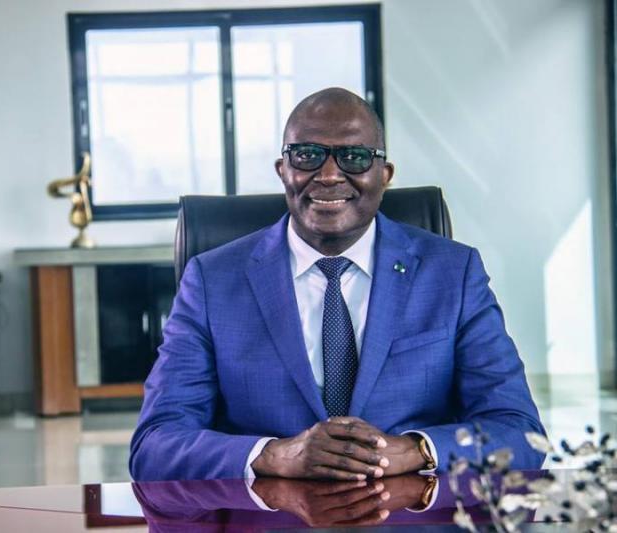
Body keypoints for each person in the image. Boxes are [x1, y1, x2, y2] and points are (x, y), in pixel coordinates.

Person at [129, 87, 545, 482]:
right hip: (268, 514)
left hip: (410, 511)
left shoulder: (453, 273)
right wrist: (274, 455)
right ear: (283, 170)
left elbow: (519, 430)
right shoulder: (211, 280)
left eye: (355, 157)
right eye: (307, 155)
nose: (328, 175)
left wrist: (414, 450)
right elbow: (155, 444)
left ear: (385, 174)